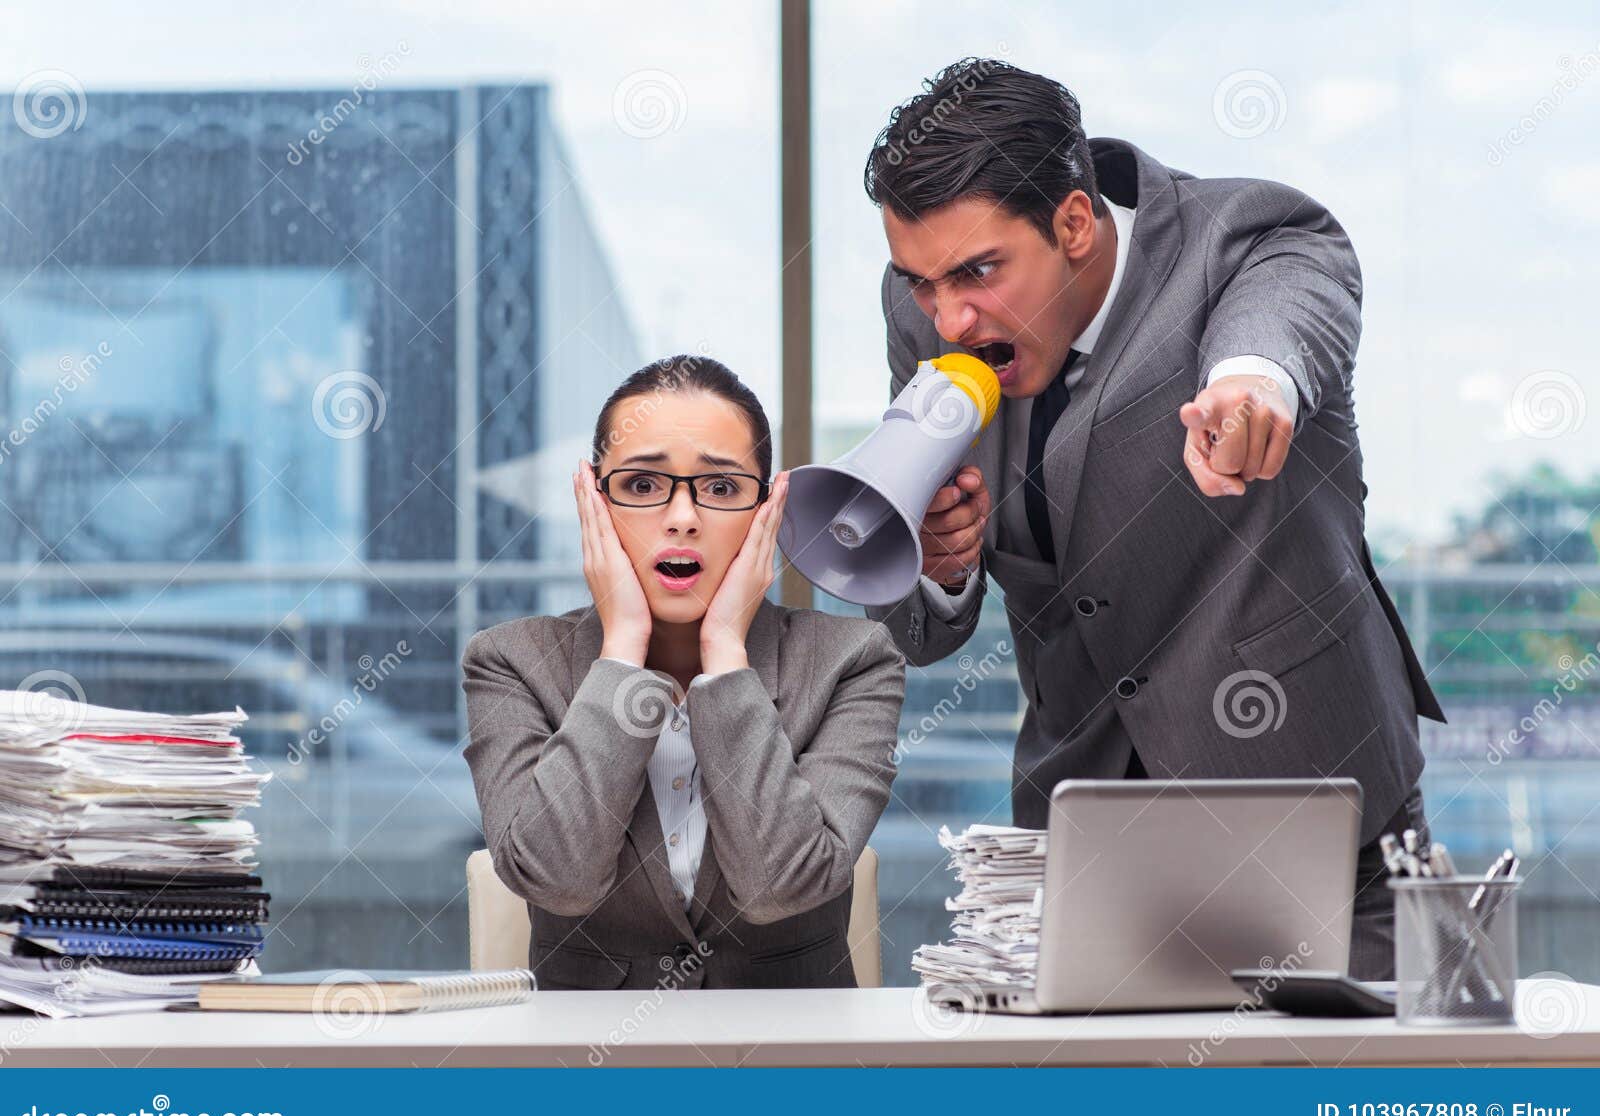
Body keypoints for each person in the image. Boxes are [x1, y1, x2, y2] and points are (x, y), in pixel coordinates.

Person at [861, 60, 1445, 980]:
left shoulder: (1248, 238)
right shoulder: (925, 312)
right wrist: (937, 564)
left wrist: (1251, 387)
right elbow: (922, 632)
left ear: (1076, 223)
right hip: (1085, 842)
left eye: (977, 272)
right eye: (923, 282)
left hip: (1325, 829)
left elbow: (1281, 321)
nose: (953, 319)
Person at [463, 354, 906, 990]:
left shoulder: (854, 662)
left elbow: (779, 886)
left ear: (767, 509)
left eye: (721, 488)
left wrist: (726, 650)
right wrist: (621, 647)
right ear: (594, 499)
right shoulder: (509, 661)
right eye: (642, 486)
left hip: (791, 1063)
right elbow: (557, 879)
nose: (682, 518)